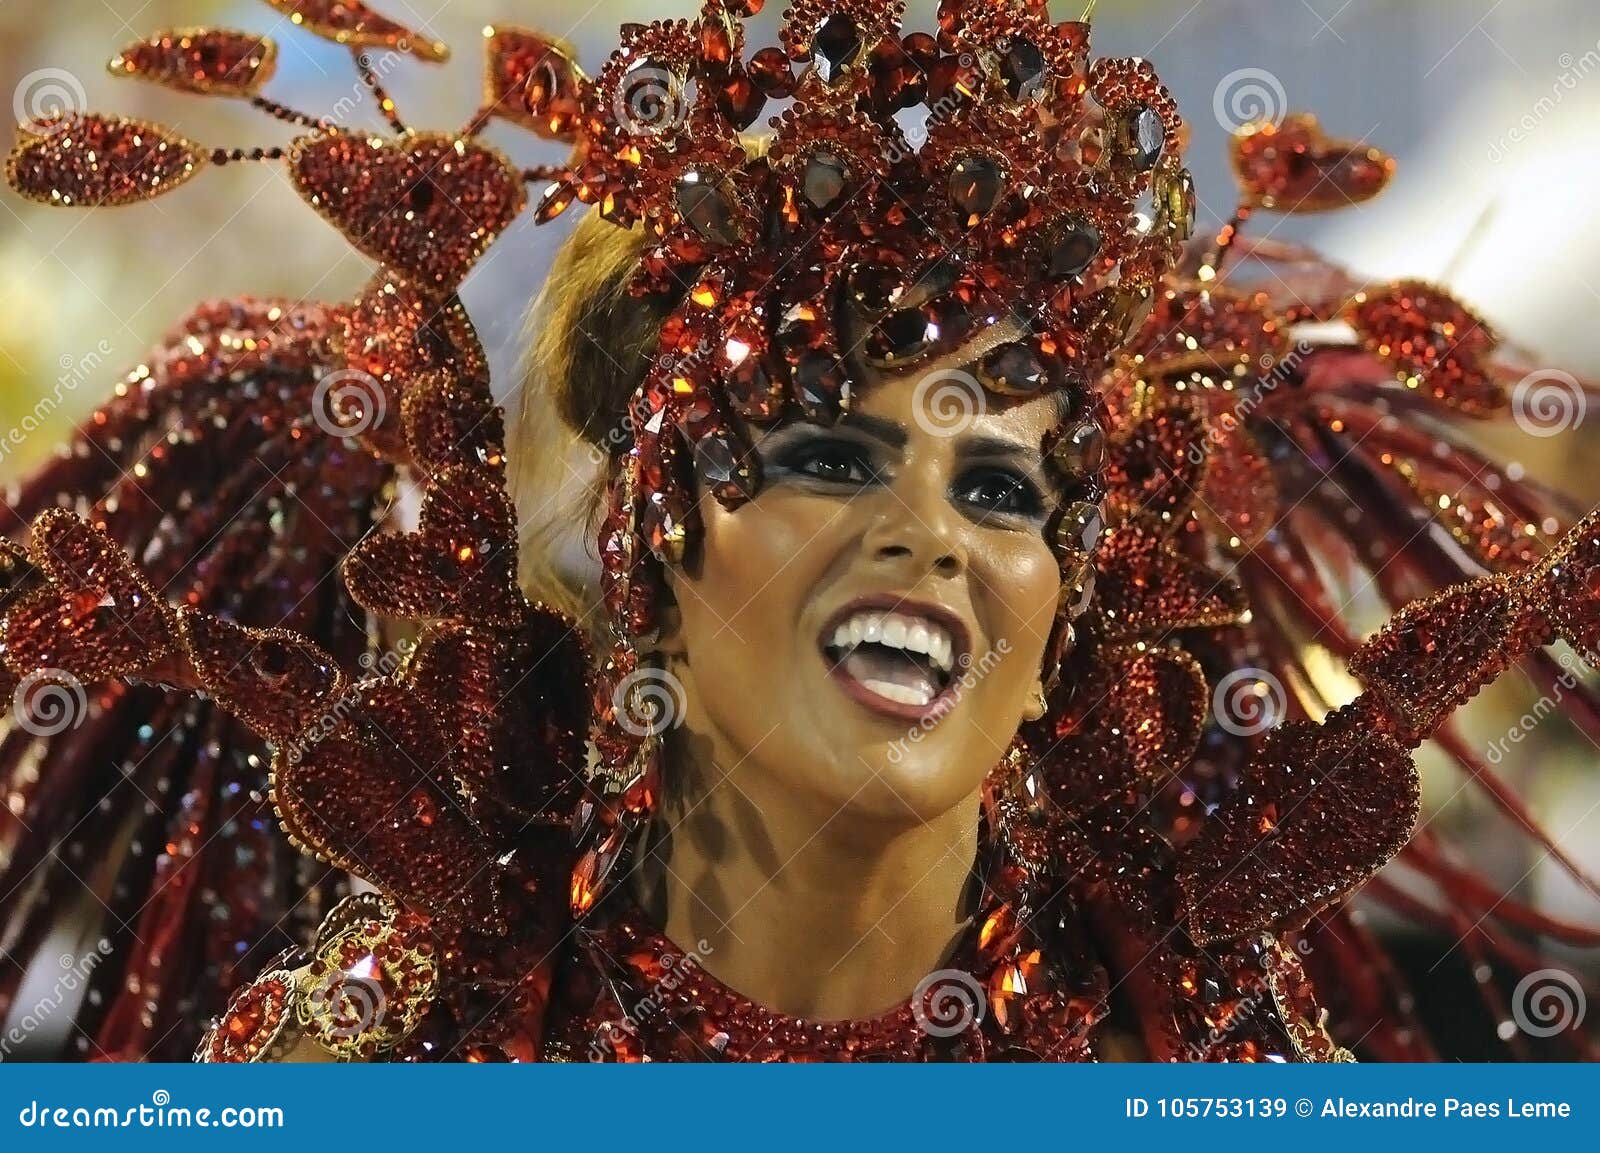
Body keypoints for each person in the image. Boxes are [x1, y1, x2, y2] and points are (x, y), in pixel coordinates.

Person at [1, 0, 1595, 1062]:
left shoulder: (1173, 1024)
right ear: (648, 554)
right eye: (828, 454)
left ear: (1068, 624)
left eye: (1002, 489)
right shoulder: (422, 1020)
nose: (931, 536)